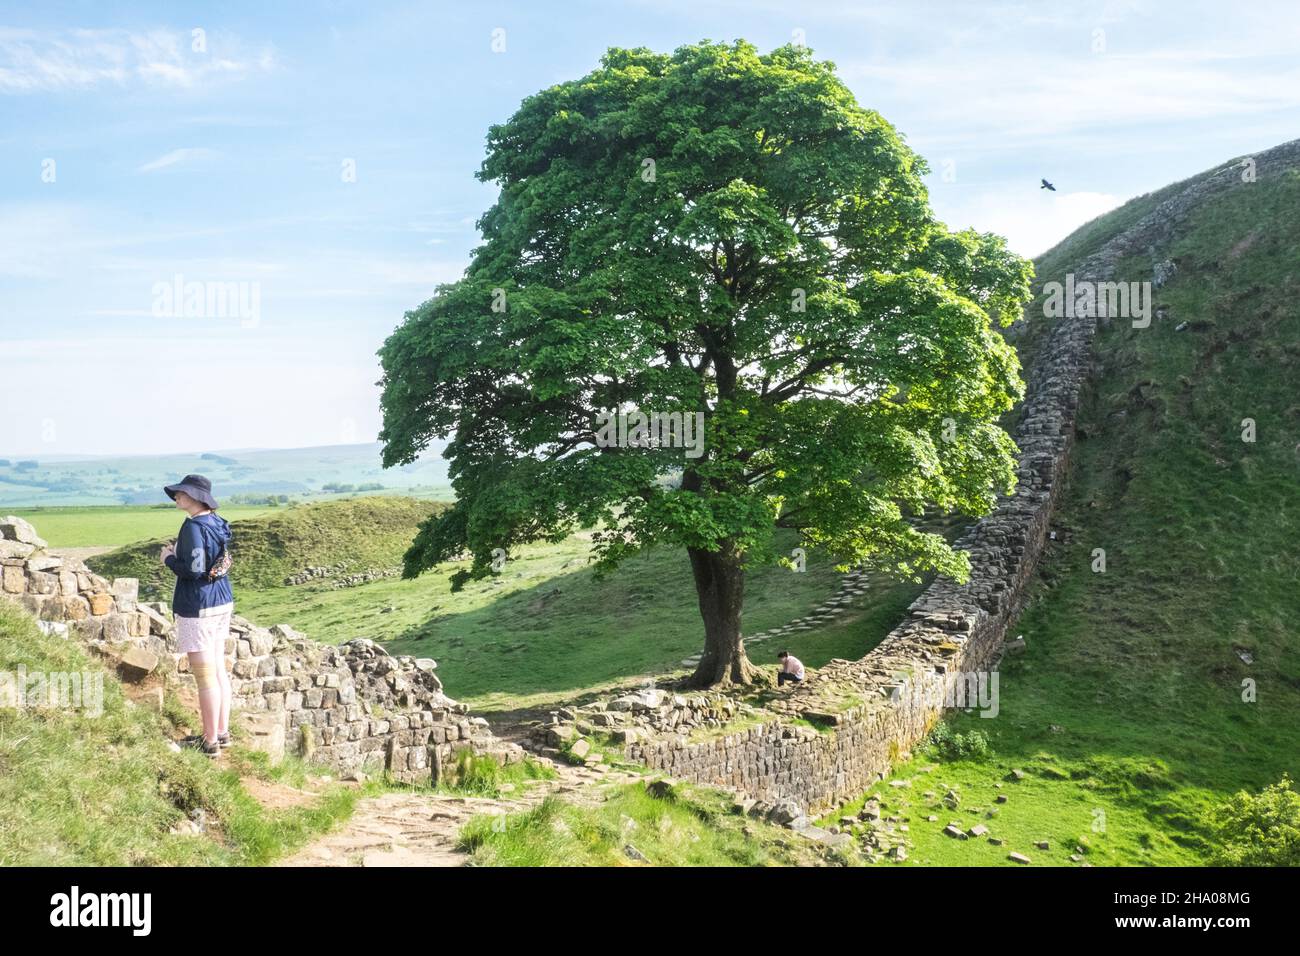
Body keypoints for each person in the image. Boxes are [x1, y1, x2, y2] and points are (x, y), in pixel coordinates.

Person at [160, 474, 234, 758]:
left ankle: (210, 742)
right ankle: (222, 733)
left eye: (182, 493)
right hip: (222, 601)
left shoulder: (193, 527)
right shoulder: (217, 523)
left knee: (205, 677)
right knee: (217, 670)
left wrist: (168, 558)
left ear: (196, 497)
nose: (177, 497)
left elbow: (192, 570)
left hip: (198, 606)